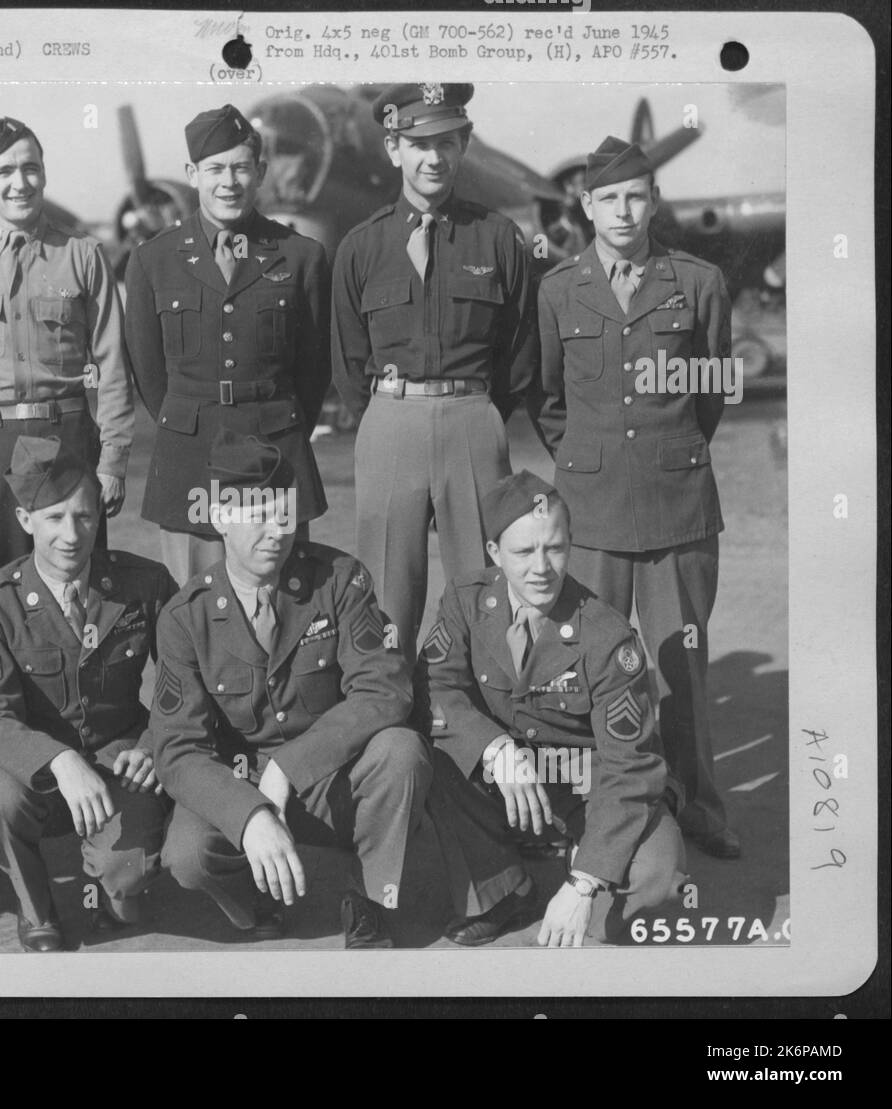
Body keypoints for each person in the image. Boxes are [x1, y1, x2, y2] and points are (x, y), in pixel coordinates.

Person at [532, 136, 738, 859]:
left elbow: (711, 389)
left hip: (678, 503)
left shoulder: (698, 282)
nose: (623, 210)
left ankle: (700, 807)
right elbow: (547, 399)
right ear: (586, 206)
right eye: (608, 198)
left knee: (681, 665)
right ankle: (583, 810)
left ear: (654, 201)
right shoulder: (558, 289)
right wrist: (590, 459)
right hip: (590, 511)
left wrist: (665, 446)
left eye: (636, 196)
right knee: (585, 669)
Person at [151, 430, 430, 948]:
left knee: (402, 752)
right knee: (187, 856)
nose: (276, 530)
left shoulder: (340, 580)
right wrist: (249, 813)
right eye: (256, 515)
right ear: (218, 519)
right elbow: (177, 750)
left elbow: (386, 689)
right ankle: (257, 893)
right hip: (240, 779)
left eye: (283, 513)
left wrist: (289, 766)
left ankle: (365, 897)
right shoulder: (185, 616)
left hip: (325, 776)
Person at [416, 471, 685, 946]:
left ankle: (581, 862)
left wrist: (585, 883)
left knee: (655, 882)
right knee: (427, 755)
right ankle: (502, 891)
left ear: (570, 545)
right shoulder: (466, 600)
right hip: (503, 773)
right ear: (495, 554)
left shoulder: (607, 635)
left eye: (555, 548)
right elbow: (434, 687)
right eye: (523, 552)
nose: (541, 567)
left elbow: (630, 766)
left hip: (583, 780)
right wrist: (493, 747)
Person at [331, 83, 538, 663]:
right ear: (393, 148)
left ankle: (482, 730)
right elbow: (347, 359)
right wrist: (385, 412)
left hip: (473, 424)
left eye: (447, 142)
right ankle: (389, 728)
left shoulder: (498, 238)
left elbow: (519, 349)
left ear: (464, 144)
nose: (434, 158)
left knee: (485, 587)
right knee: (386, 595)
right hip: (390, 421)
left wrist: (480, 413)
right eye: (418, 143)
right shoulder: (361, 246)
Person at [0, 436, 178, 952]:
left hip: (120, 754)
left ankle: (117, 892)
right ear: (25, 520)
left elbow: (183, 683)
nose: (72, 535)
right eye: (54, 518)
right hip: (30, 763)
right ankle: (35, 908)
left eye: (83, 516)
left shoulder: (144, 583)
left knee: (126, 873)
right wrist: (58, 760)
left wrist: (154, 743)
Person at [124, 104, 330, 585]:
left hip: (276, 457)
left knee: (283, 606)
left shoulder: (301, 257)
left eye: (241, 167)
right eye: (215, 168)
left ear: (260, 172)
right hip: (190, 459)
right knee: (199, 613)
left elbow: (314, 370)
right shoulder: (154, 260)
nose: (229, 182)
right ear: (193, 174)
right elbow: (149, 375)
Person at [0, 116, 134, 583]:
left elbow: (114, 366)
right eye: (3, 173)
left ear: (44, 172)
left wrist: (113, 461)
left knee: (79, 583)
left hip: (69, 440)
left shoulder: (83, 255)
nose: (20, 183)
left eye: (30, 168)